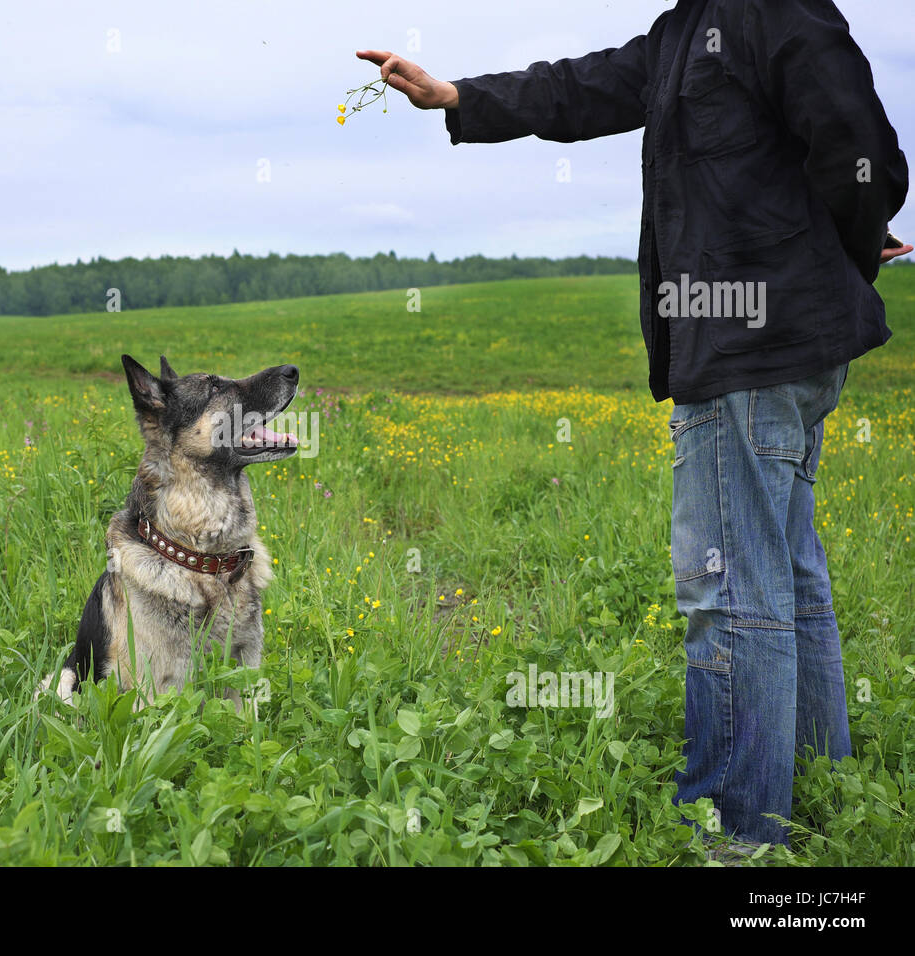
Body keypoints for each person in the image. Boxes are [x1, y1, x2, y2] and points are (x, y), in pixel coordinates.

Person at [359, 0, 910, 848]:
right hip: (781, 346)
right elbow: (578, 90)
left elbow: (861, 149)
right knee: (789, 580)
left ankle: (738, 836)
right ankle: (818, 792)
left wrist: (846, 247)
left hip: (751, 350)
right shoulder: (684, 33)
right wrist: (458, 96)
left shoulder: (773, 9)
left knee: (730, 594)